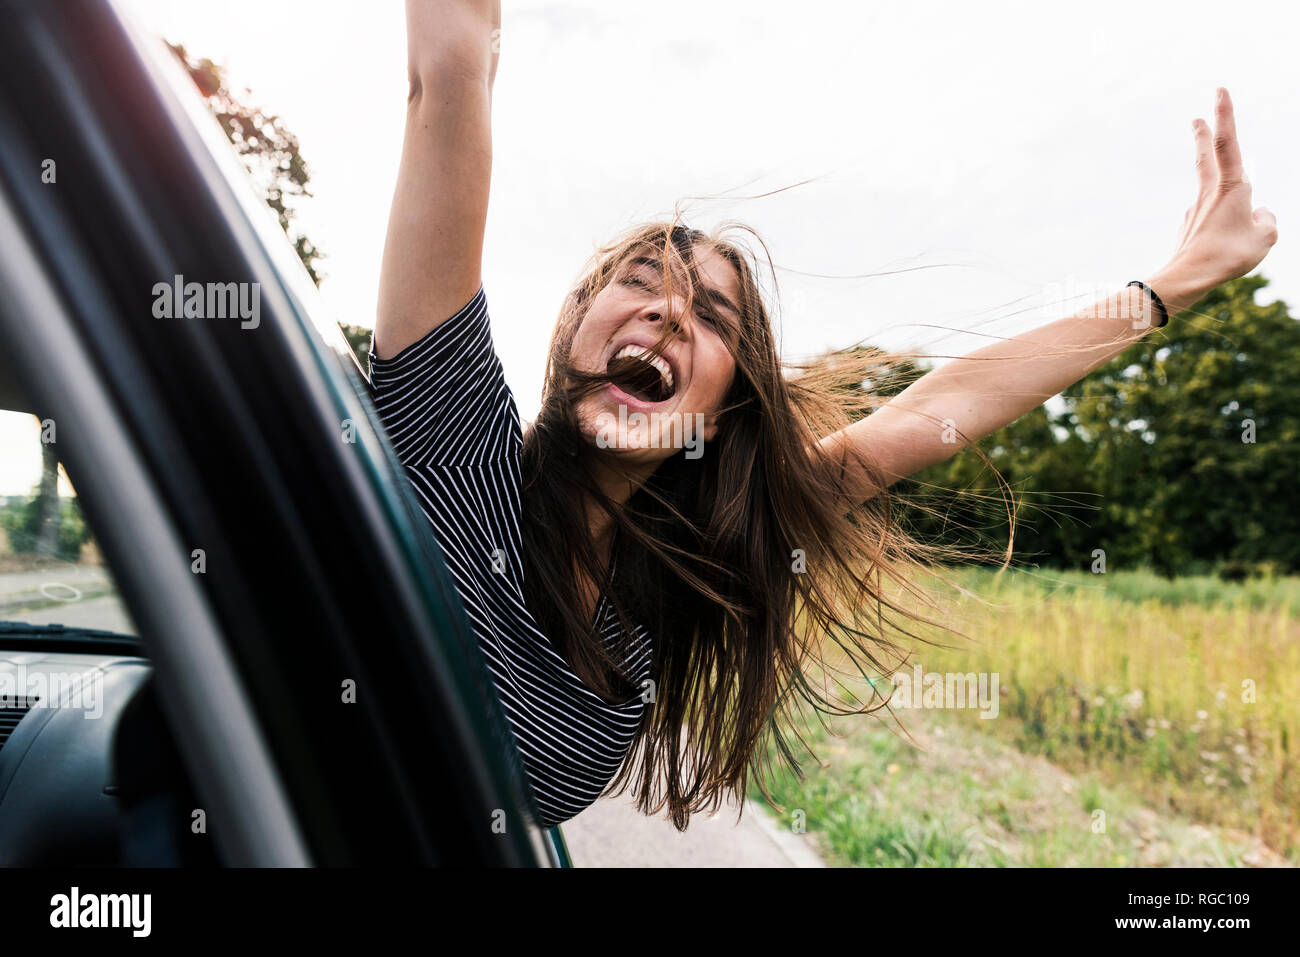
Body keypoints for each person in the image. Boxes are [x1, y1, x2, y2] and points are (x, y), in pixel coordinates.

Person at [369, 0, 1278, 831]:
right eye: (639, 282)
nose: (669, 309)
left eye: (712, 315)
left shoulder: (666, 588)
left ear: (721, 415)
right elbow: (449, 74)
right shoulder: (451, 438)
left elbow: (941, 407)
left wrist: (1176, 282)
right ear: (575, 330)